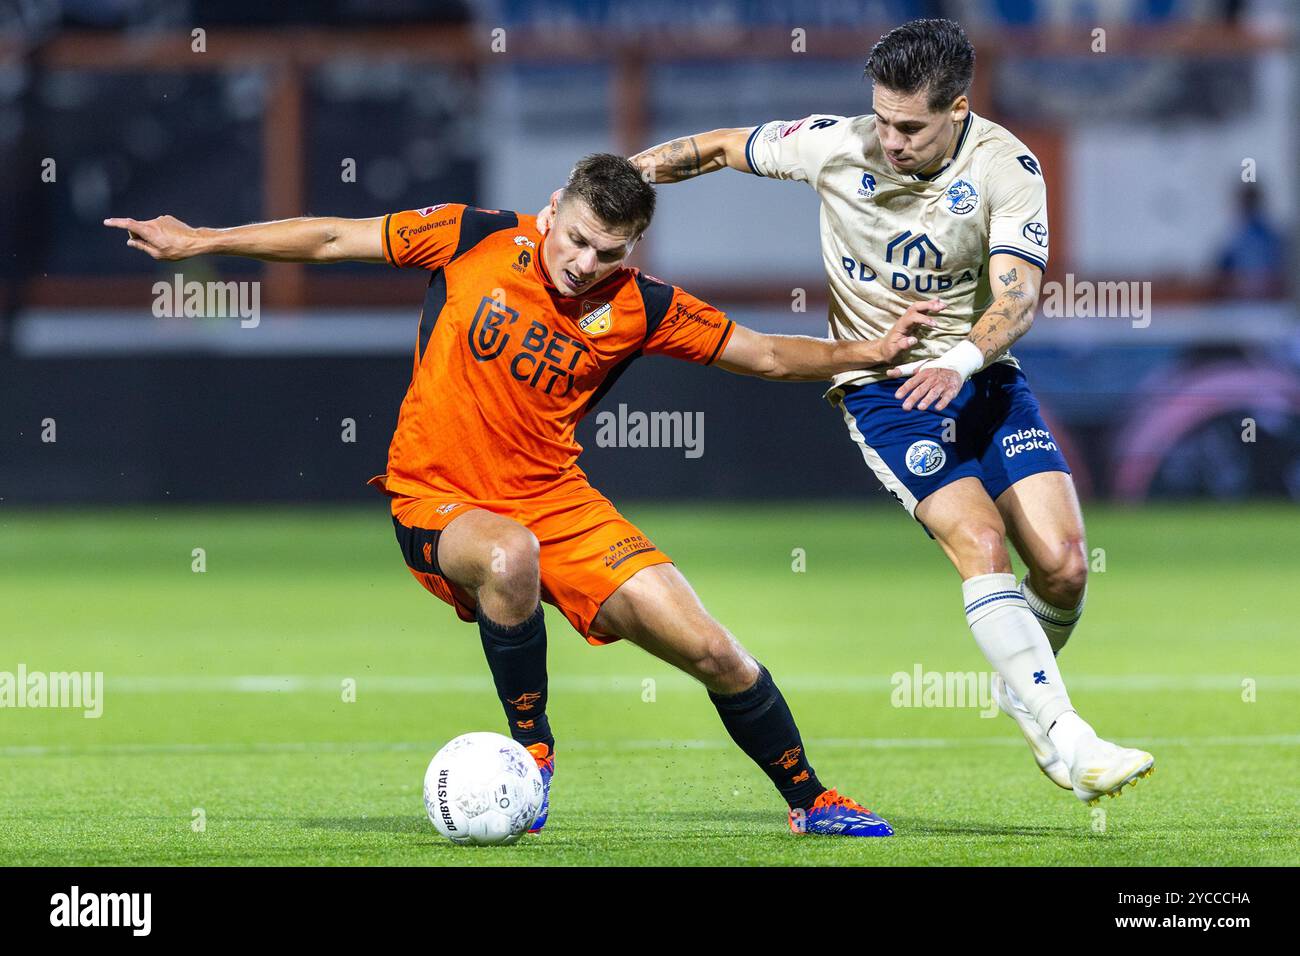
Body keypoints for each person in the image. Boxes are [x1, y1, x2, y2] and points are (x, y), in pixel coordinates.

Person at [105, 153, 938, 836]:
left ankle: (812, 801)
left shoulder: (641, 308)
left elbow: (761, 354)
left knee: (717, 653)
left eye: (606, 253)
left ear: (633, 248)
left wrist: (877, 348)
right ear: (551, 210)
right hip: (435, 496)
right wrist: (201, 240)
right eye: (574, 239)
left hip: (558, 503)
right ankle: (533, 755)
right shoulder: (472, 237)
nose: (583, 264)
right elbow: (331, 237)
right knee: (509, 553)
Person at [600, 19, 1155, 804]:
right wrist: (626, 175)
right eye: (881, 118)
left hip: (982, 378)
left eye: (909, 126)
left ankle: (1019, 682)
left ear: (958, 109)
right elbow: (724, 146)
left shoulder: (1008, 167)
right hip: (885, 390)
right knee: (982, 540)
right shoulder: (837, 143)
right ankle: (1067, 736)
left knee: (1064, 567)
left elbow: (1019, 295)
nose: (887, 140)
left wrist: (963, 359)